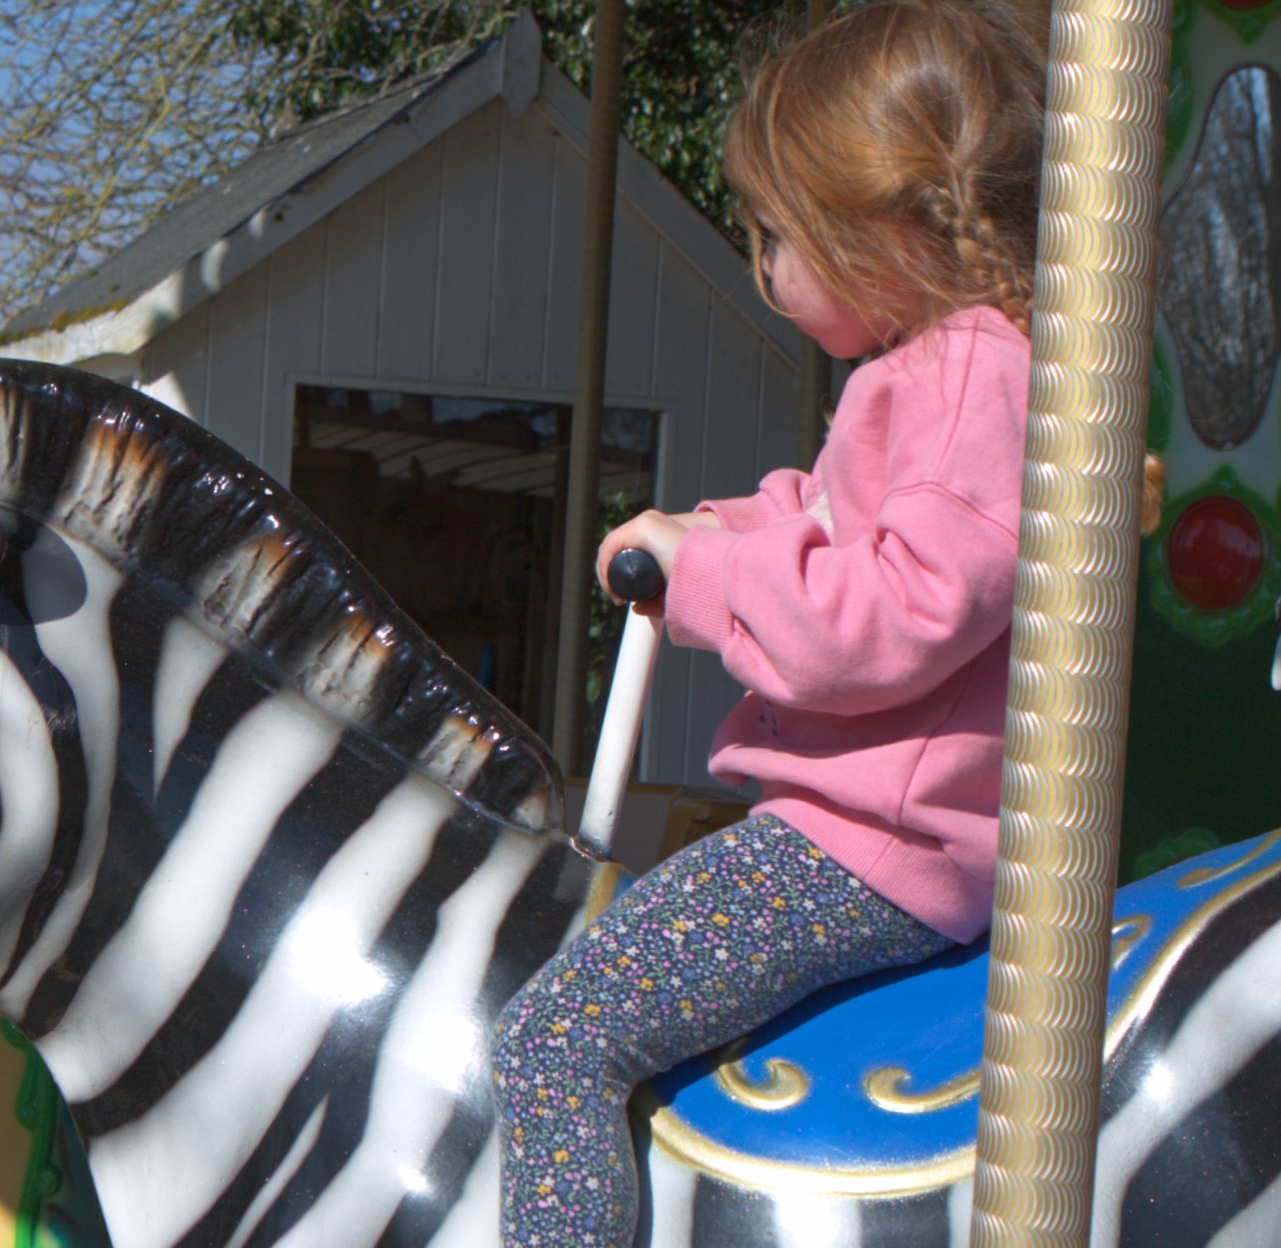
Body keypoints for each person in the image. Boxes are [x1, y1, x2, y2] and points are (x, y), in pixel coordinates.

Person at [488, 2, 1157, 1241]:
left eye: (776, 234)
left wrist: (704, 582)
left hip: (869, 844)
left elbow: (892, 614)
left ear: (893, 225)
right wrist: (710, 532)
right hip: (862, 837)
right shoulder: (941, 373)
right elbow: (832, 516)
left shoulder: (972, 377)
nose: (766, 268)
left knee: (556, 1041)